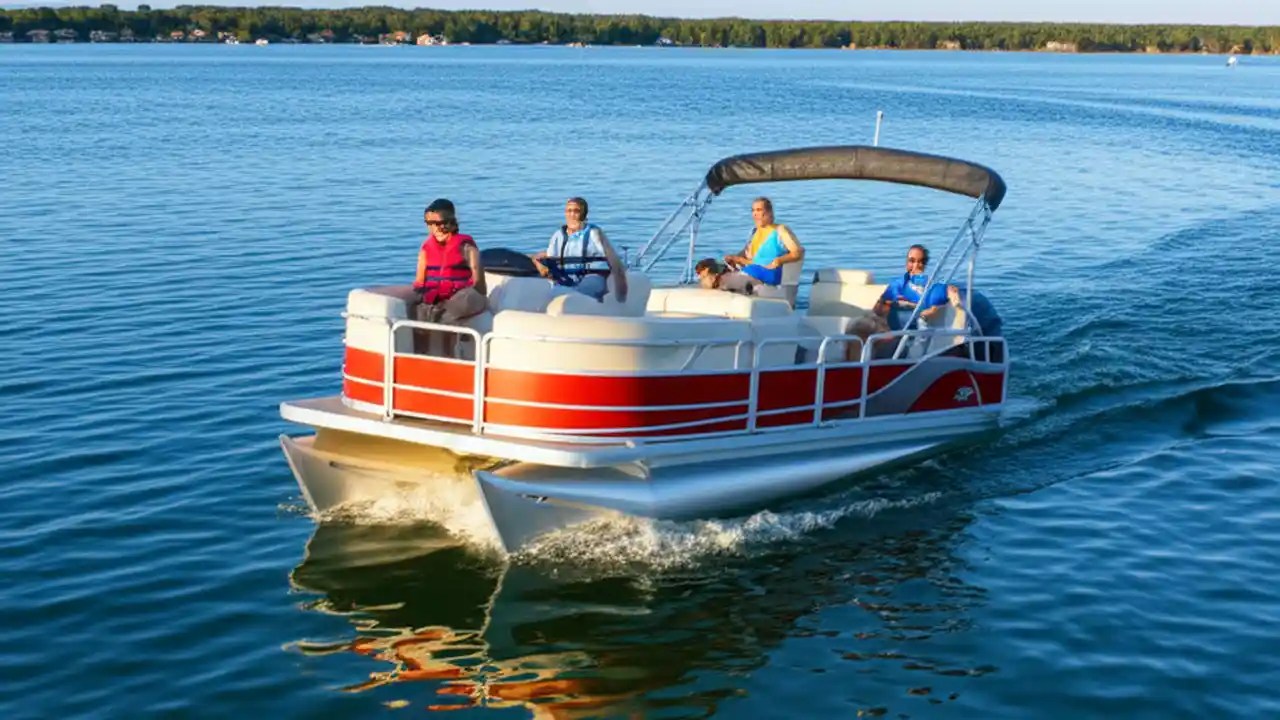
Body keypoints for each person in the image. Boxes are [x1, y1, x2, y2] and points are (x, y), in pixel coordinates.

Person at [413, 199, 487, 353]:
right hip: (439, 296)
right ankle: (421, 355)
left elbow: (480, 286)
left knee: (458, 303)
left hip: (466, 296)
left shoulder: (467, 247)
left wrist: (453, 298)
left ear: (451, 222)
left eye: (440, 223)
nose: (436, 228)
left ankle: (453, 350)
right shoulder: (426, 250)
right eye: (430, 223)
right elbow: (420, 283)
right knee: (422, 310)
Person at [531, 197, 628, 302]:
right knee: (551, 296)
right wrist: (536, 260)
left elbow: (615, 263)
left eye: (576, 211)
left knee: (575, 295)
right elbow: (550, 256)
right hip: (565, 279)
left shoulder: (594, 233)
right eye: (569, 211)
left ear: (584, 214)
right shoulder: (558, 235)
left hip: (592, 277)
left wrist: (621, 295)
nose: (572, 214)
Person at [722, 197, 804, 289]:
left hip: (769, 273)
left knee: (726, 280)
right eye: (753, 210)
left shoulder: (780, 230)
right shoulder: (754, 232)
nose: (755, 214)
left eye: (759, 210)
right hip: (752, 269)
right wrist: (734, 259)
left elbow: (798, 253)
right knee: (716, 271)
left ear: (769, 212)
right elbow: (744, 255)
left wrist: (779, 261)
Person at [873, 244, 955, 330]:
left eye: (919, 262)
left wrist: (931, 310)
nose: (915, 266)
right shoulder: (897, 284)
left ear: (924, 265)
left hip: (916, 331)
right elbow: (879, 308)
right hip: (893, 330)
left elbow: (949, 294)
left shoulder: (931, 286)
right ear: (906, 262)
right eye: (911, 261)